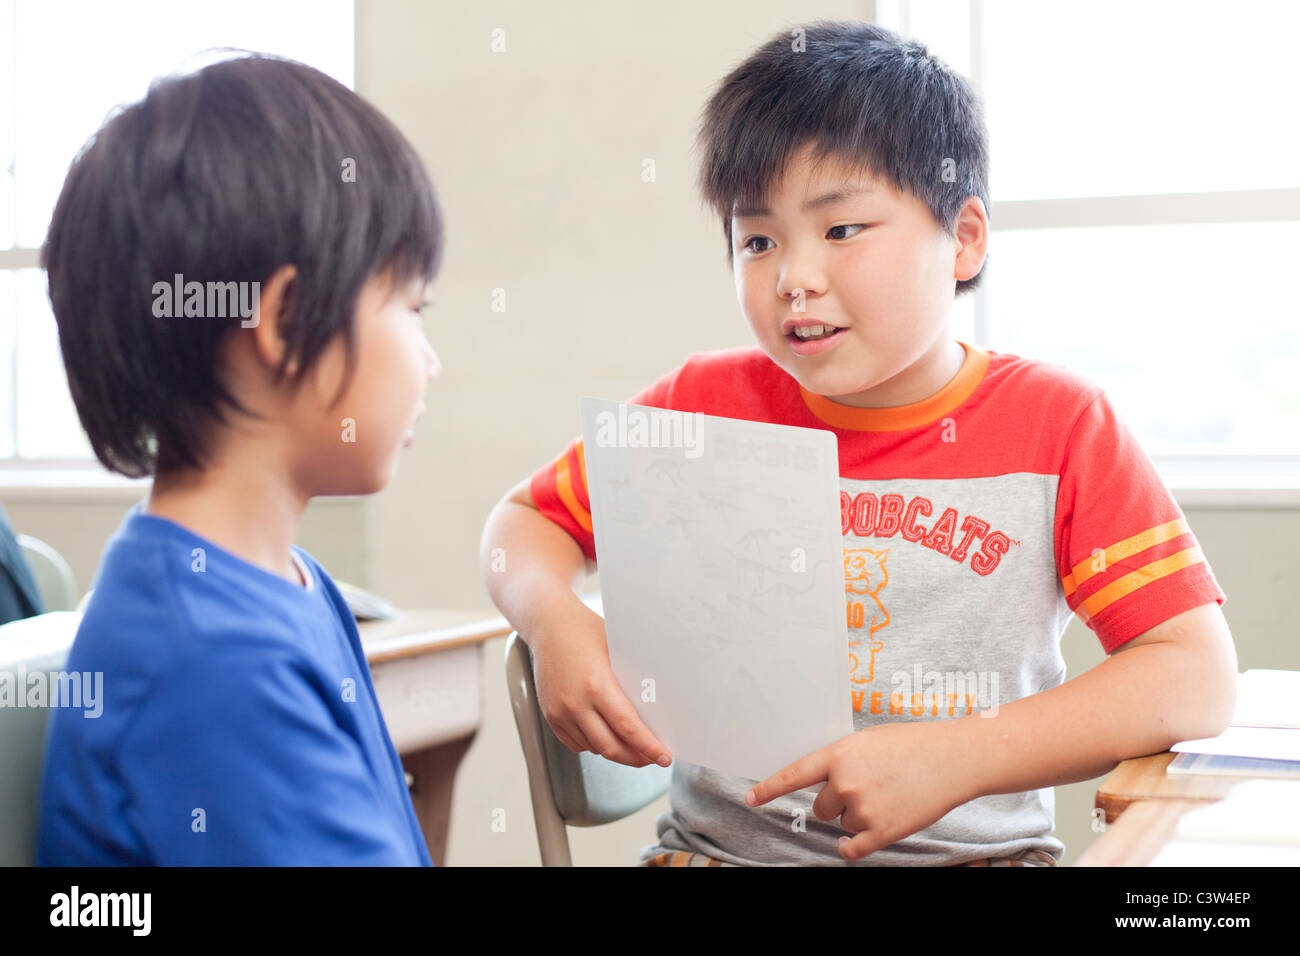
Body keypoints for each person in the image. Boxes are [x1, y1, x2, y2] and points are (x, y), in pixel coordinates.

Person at [480, 21, 1236, 867]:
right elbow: (520, 527)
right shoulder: (701, 405)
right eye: (757, 240)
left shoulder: (1058, 423)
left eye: (841, 230)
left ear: (965, 238)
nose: (794, 277)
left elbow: (1195, 674)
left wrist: (959, 755)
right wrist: (554, 620)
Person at [37, 53, 442, 865]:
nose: (430, 361)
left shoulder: (282, 585)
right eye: (411, 306)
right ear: (286, 320)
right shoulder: (212, 667)